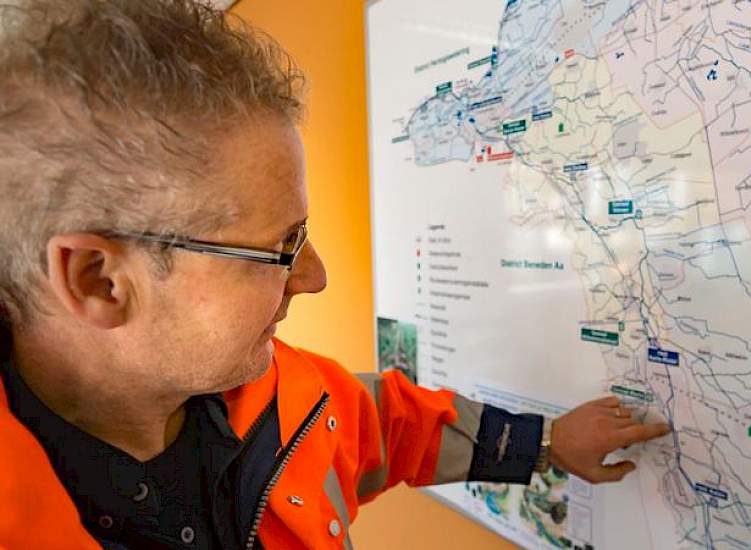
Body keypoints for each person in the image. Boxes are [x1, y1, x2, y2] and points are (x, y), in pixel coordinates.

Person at [0, 1, 672, 548]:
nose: (314, 276)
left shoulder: (289, 399)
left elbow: (388, 422)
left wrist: (547, 442)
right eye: (282, 245)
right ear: (99, 280)